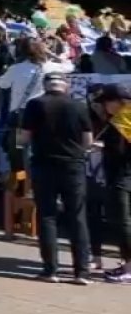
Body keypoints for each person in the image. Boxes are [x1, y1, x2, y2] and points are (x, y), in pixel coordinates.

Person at [19, 71, 93, 284]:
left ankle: (50, 270)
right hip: (73, 165)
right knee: (77, 217)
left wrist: (14, 140)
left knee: (47, 216)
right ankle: (82, 271)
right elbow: (87, 140)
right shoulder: (78, 105)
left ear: (45, 85)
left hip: (44, 164)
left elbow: (24, 138)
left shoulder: (35, 104)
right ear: (65, 86)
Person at [92, 84, 131, 283]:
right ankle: (126, 264)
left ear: (116, 102)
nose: (104, 107)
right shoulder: (125, 118)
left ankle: (129, 266)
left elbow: (120, 152)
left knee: (123, 222)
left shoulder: (123, 120)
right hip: (124, 175)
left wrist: (101, 146)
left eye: (106, 102)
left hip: (122, 176)